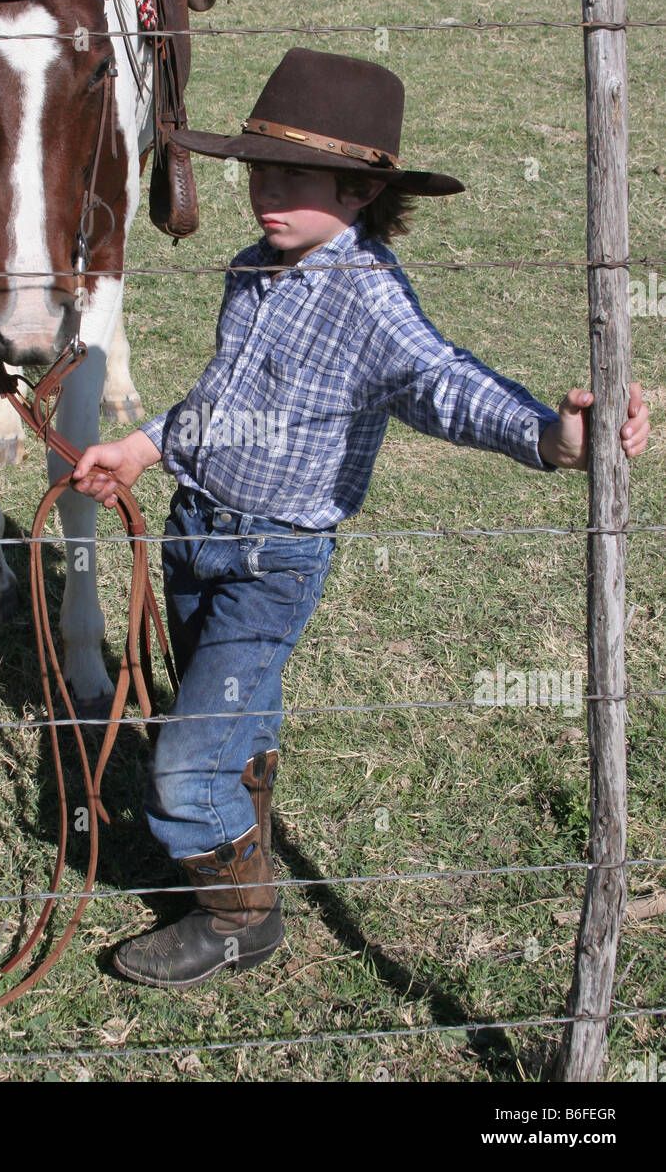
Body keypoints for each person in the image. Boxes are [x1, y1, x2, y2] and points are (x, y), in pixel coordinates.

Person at [72, 48, 650, 989]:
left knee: (183, 767)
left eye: (296, 175)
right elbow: (223, 395)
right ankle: (239, 847)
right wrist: (144, 448)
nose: (268, 189)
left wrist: (550, 436)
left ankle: (237, 918)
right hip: (193, 533)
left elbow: (441, 380)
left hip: (272, 560)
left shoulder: (371, 298)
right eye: (259, 167)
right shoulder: (257, 265)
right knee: (229, 718)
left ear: (358, 189)